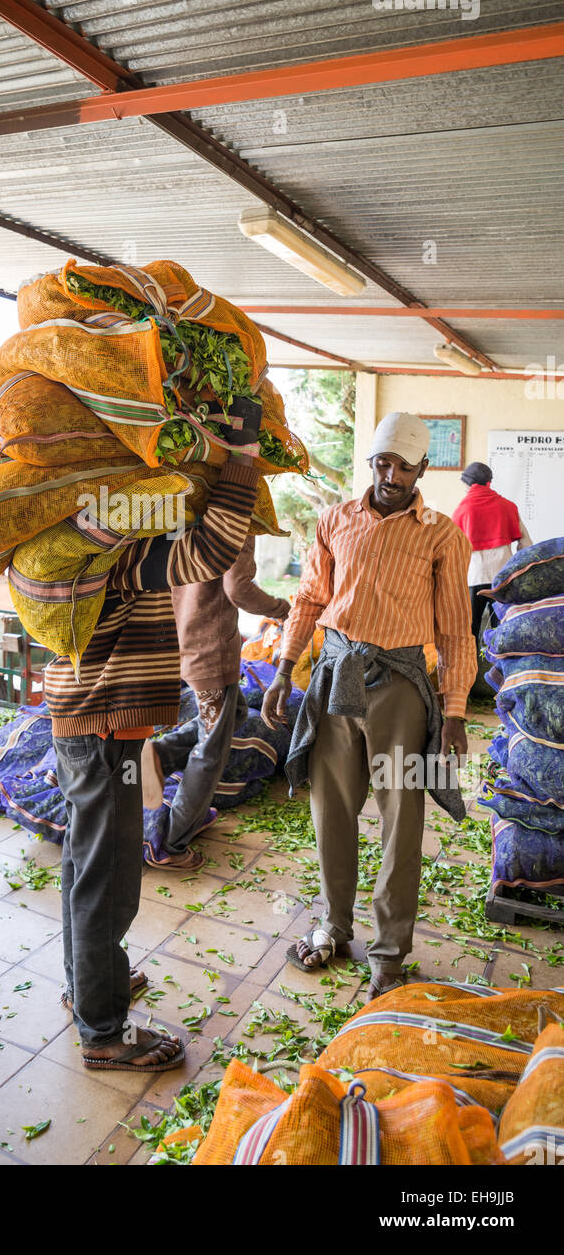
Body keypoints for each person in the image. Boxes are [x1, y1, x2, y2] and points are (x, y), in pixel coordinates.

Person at [42, 398, 262, 1074]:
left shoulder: (78, 542)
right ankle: (104, 1033)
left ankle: (89, 986)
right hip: (103, 727)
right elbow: (213, 546)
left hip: (100, 725)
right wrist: (241, 454)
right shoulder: (104, 555)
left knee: (88, 865)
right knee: (107, 880)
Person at [261, 412, 476, 1002]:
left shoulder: (440, 534)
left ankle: (389, 951)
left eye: (402, 465)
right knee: (331, 807)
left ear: (423, 469)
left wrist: (453, 711)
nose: (390, 474)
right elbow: (308, 599)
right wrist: (284, 671)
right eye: (381, 462)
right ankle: (334, 924)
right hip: (335, 673)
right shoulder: (336, 521)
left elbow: (457, 629)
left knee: (401, 815)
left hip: (401, 683)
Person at [140, 536, 291, 871]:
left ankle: (159, 756)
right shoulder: (238, 515)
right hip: (209, 652)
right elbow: (238, 588)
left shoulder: (193, 506)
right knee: (211, 752)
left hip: (184, 635)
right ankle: (172, 843)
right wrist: (283, 609)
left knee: (234, 714)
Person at [451, 462, 531, 638]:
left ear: (470, 483)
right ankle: (499, 665)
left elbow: (452, 549)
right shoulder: (508, 506)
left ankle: (470, 666)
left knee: (470, 630)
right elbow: (526, 545)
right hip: (503, 577)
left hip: (474, 577)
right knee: (502, 629)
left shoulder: (463, 509)